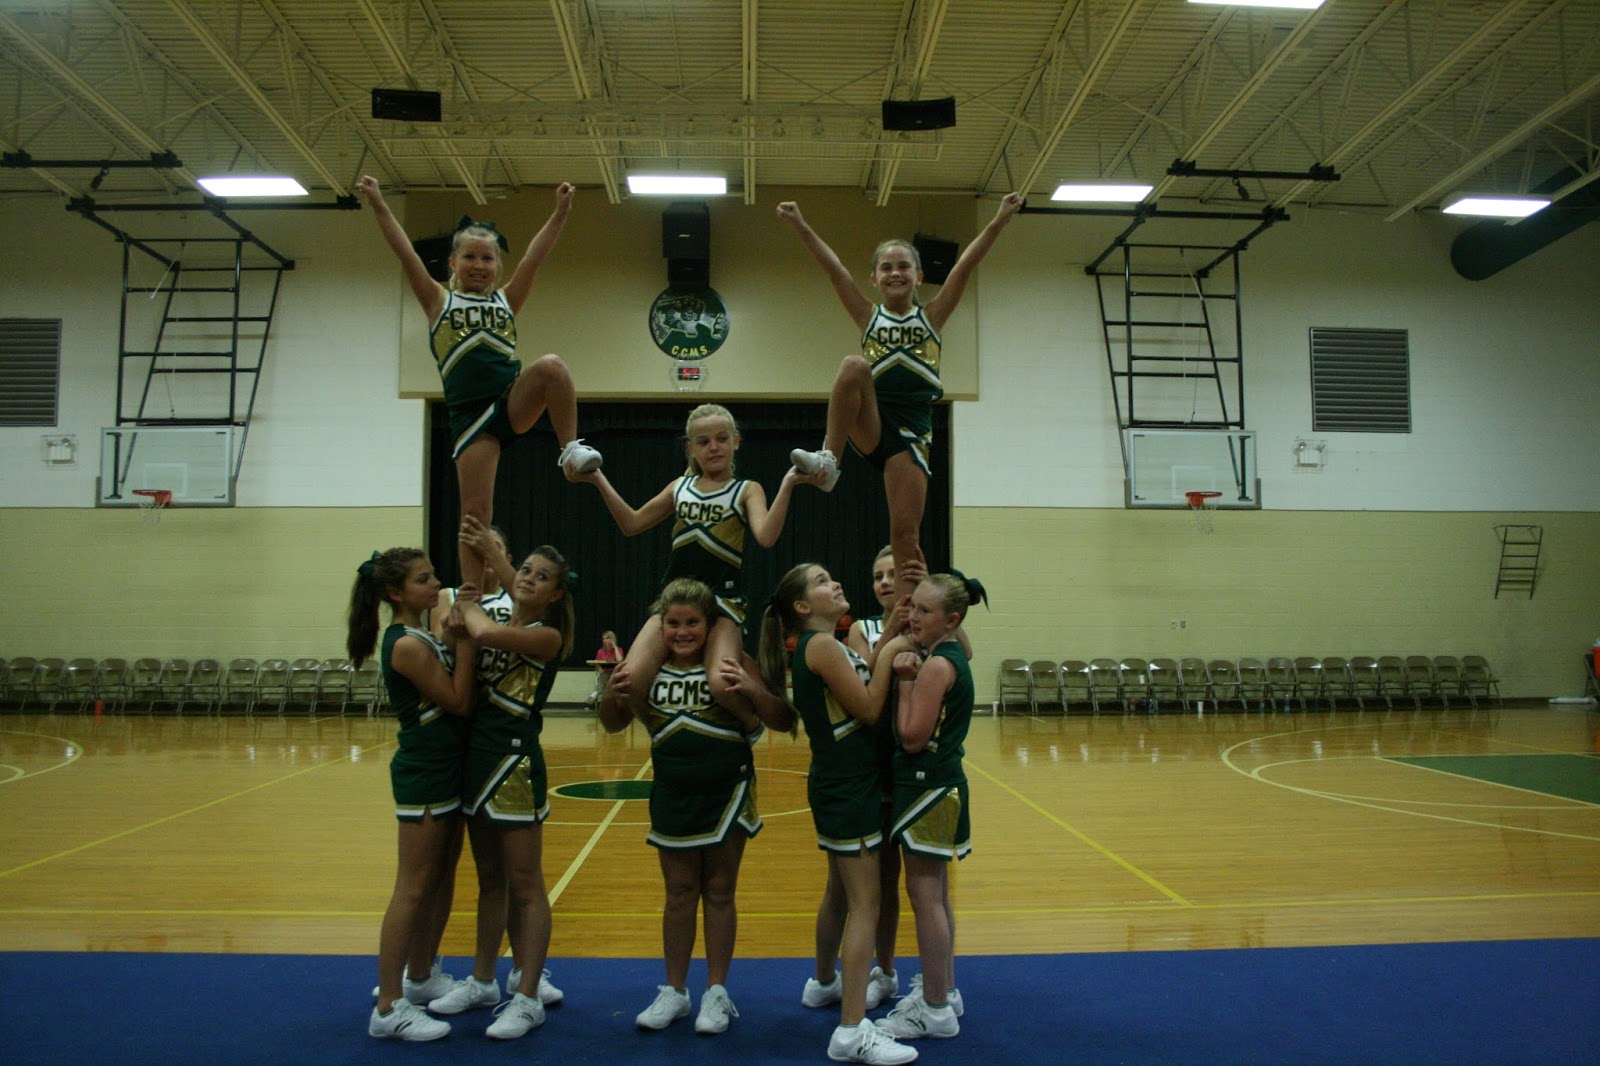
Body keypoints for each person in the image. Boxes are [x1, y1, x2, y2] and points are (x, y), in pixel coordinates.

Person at [355, 175, 602, 589]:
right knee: (475, 514)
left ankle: (570, 451)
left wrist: (560, 213)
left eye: (487, 258)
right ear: (452, 263)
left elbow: (535, 259)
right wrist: (380, 203)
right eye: (469, 257)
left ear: (497, 266)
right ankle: (470, 594)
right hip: (471, 420)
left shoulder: (507, 300)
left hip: (509, 401)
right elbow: (403, 251)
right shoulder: (439, 302)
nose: (479, 265)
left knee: (553, 367)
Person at [777, 194, 1022, 601]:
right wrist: (800, 224)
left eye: (903, 265)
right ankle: (829, 462)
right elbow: (833, 268)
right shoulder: (867, 315)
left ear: (919, 276)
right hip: (872, 418)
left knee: (905, 533)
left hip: (912, 430)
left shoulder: (932, 317)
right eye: (886, 267)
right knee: (854, 365)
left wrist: (999, 219)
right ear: (873, 279)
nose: (895, 272)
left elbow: (965, 266)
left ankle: (905, 618)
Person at [611, 578, 794, 1036]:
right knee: (677, 896)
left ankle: (716, 991)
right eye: (672, 623)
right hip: (673, 793)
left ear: (710, 625)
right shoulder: (647, 671)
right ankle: (674, 990)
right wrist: (612, 692)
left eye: (692, 622)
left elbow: (785, 718)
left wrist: (753, 688)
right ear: (661, 627)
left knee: (718, 891)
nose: (682, 631)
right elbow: (612, 723)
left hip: (726, 792)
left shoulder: (732, 663)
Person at [757, 563, 918, 1065]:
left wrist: (888, 633)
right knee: (865, 904)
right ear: (802, 607)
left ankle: (822, 982)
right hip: (849, 786)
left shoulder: (833, 643)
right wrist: (893, 652)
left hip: (843, 782)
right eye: (824, 581)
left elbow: (867, 662)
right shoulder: (822, 646)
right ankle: (851, 1031)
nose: (837, 583)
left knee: (837, 893)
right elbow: (869, 710)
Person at [577, 402, 817, 725]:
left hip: (722, 604)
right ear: (690, 447)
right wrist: (597, 479)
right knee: (630, 682)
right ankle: (661, 729)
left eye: (721, 438)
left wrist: (788, 483)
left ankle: (749, 726)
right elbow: (631, 524)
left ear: (736, 441)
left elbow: (766, 536)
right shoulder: (680, 487)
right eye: (703, 442)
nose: (713, 447)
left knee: (721, 684)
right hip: (673, 604)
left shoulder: (746, 489)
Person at [428, 545, 575, 1038]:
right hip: (475, 757)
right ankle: (483, 979)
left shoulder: (546, 635)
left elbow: (486, 632)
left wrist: (470, 589)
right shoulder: (490, 612)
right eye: (526, 570)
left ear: (555, 594)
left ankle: (528, 995)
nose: (530, 579)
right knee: (490, 878)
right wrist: (456, 624)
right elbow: (465, 638)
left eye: (542, 577)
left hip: (513, 760)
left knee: (526, 884)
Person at [347, 548, 477, 1042]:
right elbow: (459, 701)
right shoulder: (403, 644)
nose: (435, 583)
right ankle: (388, 1005)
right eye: (425, 579)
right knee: (413, 886)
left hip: (446, 769)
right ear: (396, 593)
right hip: (424, 771)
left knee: (441, 878)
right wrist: (465, 645)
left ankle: (421, 976)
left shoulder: (422, 634)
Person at [875, 572, 987, 1043]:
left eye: (924, 611)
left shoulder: (938, 665)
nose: (912, 617)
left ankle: (936, 1007)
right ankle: (946, 988)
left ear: (951, 619)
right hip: (943, 784)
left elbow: (913, 737)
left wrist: (904, 682)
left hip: (928, 785)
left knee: (925, 897)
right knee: (937, 895)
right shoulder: (951, 654)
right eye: (912, 607)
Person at [431, 518, 514, 639]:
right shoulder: (446, 595)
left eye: (494, 548)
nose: (485, 554)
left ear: (507, 560)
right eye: (477, 549)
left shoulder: (515, 597)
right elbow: (439, 649)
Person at [588, 629, 624, 706]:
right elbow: (597, 664)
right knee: (604, 676)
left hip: (615, 673)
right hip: (605, 673)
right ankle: (596, 695)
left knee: (607, 676)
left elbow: (619, 660)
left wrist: (614, 647)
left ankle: (595, 693)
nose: (605, 640)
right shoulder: (600, 651)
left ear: (612, 639)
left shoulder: (619, 650)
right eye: (603, 639)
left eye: (607, 638)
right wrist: (601, 671)